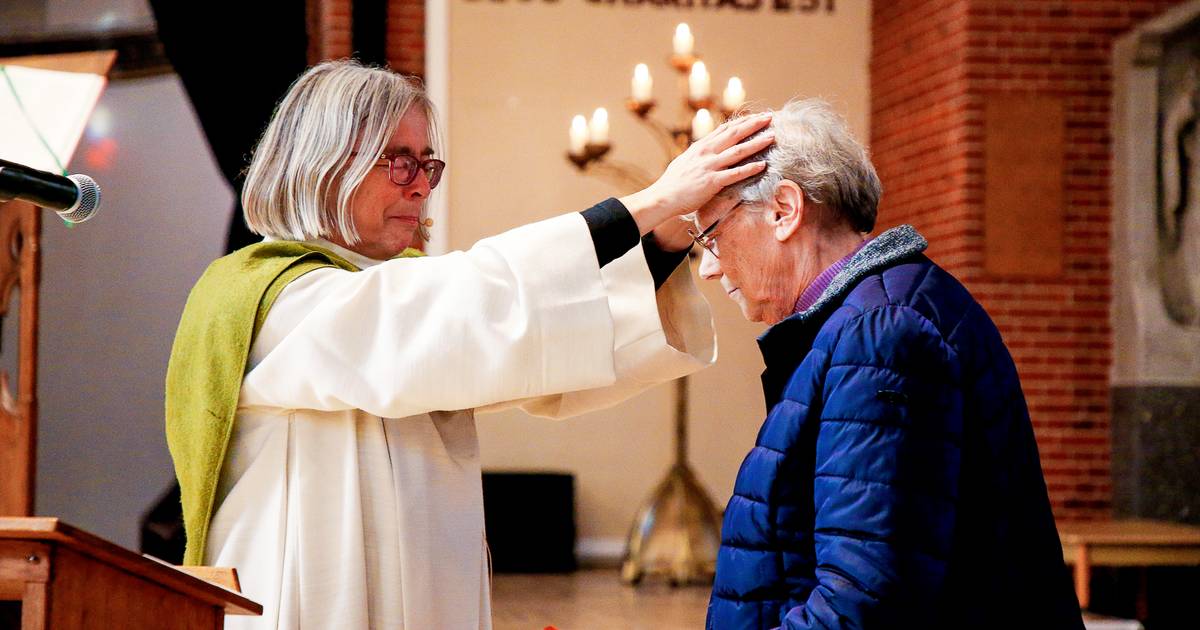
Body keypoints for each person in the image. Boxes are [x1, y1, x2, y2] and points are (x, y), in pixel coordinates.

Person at [164, 59, 773, 629]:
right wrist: (651, 203)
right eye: (399, 162)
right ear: (324, 164)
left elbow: (528, 342)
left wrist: (666, 238)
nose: (420, 187)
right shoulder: (269, 296)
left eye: (427, 165)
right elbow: (457, 309)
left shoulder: (397, 290)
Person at [697, 99, 1083, 629]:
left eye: (712, 236)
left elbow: (864, 602)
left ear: (784, 210)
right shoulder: (871, 320)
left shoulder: (882, 335)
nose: (709, 268)